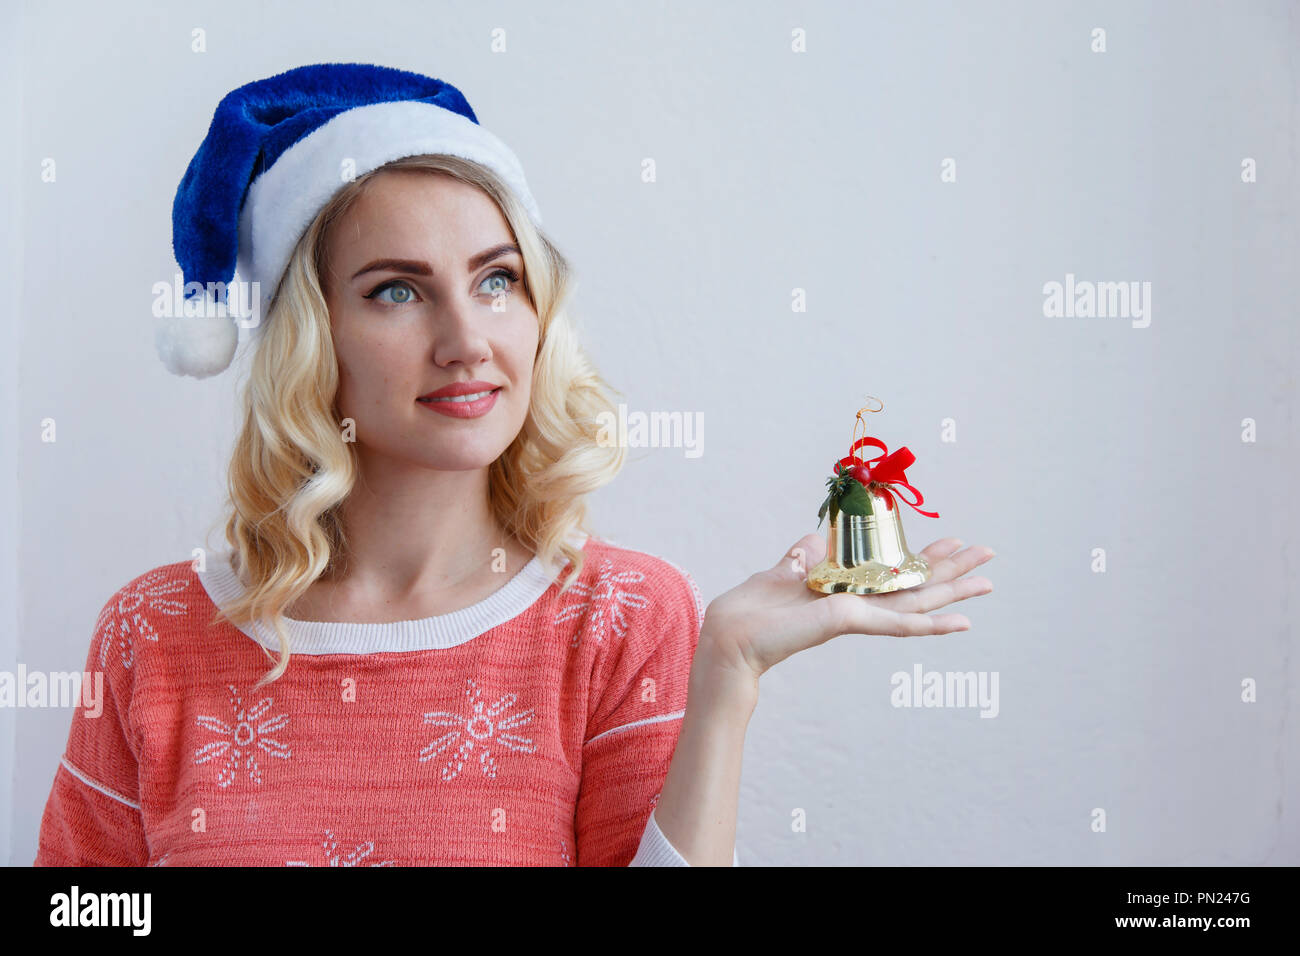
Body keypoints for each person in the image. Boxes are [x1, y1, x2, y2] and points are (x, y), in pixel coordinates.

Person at [33, 63, 994, 867]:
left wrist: (729, 671)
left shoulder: (617, 623)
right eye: (398, 291)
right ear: (309, 343)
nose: (467, 340)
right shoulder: (151, 637)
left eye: (497, 280)